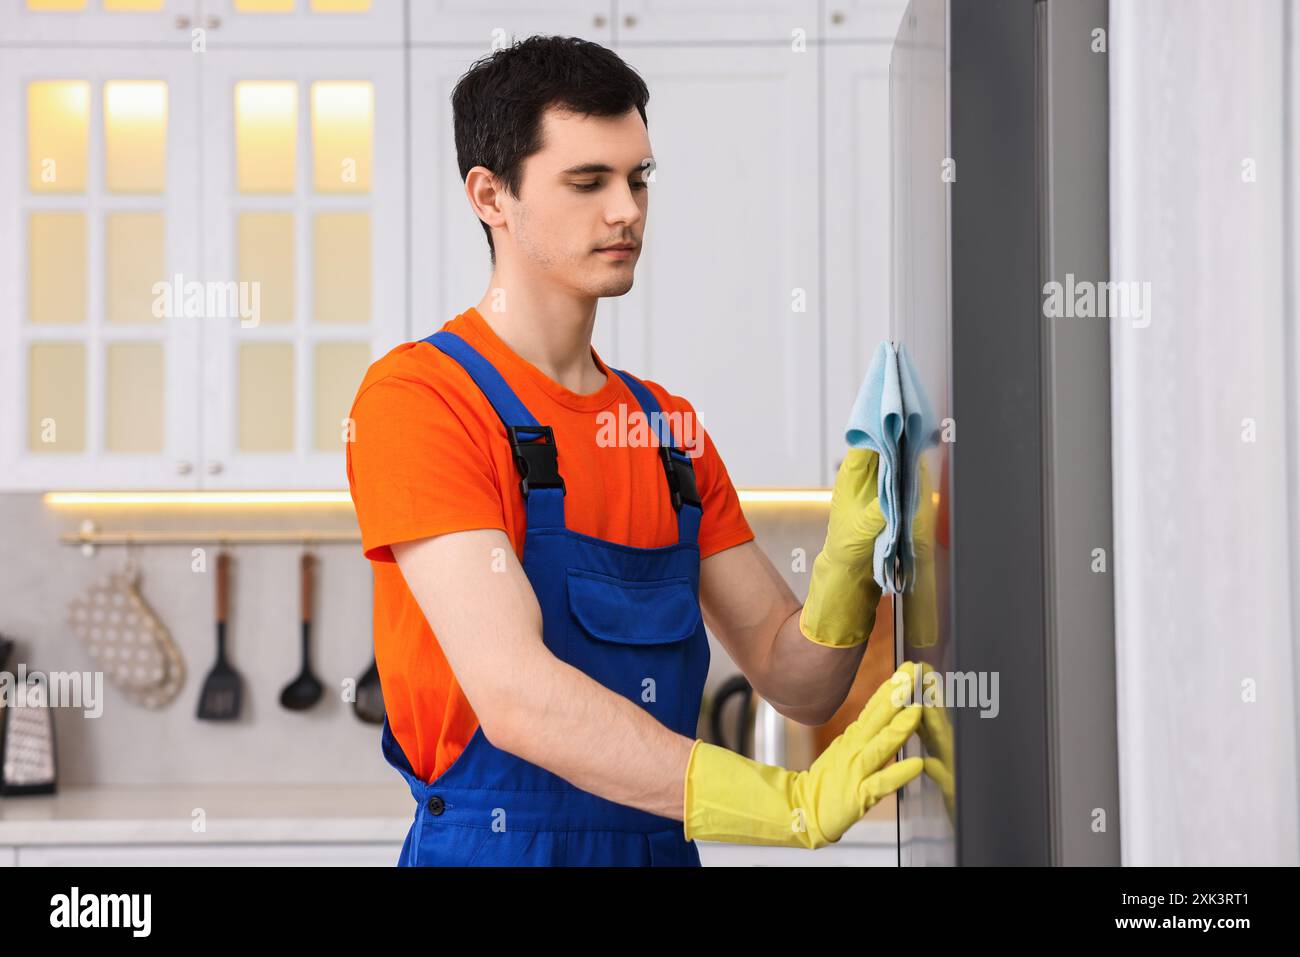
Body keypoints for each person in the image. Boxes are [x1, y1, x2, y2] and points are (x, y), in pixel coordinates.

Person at [346, 35, 923, 866]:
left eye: (638, 178)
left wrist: (849, 558)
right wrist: (784, 803)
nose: (627, 210)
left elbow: (795, 678)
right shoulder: (421, 401)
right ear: (490, 195)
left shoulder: (667, 433)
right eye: (588, 181)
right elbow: (515, 696)